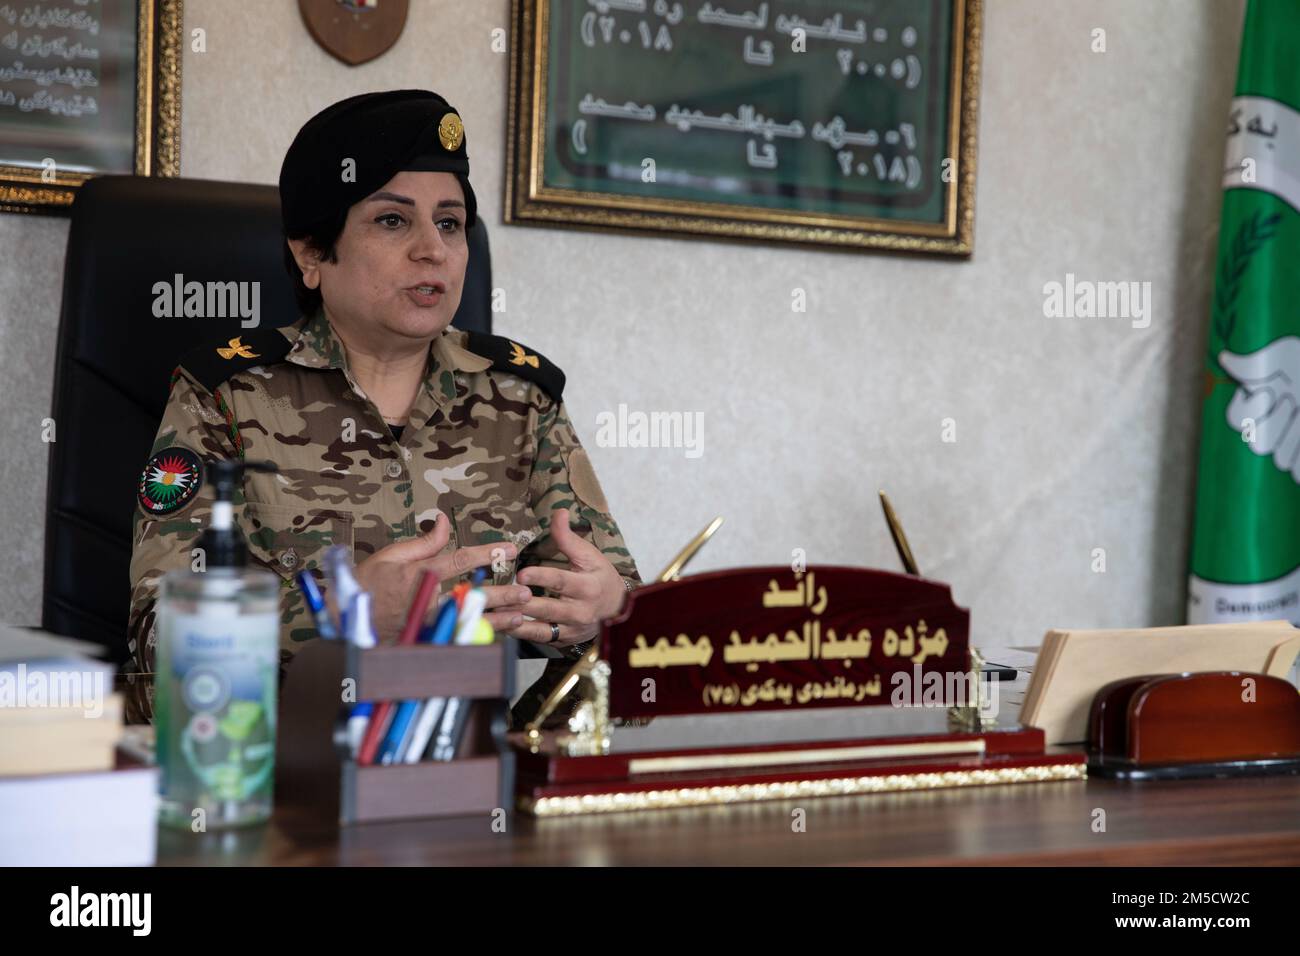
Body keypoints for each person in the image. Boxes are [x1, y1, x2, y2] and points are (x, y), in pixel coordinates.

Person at [126, 90, 641, 727]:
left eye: (450, 223)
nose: (433, 249)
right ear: (311, 253)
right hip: (275, 793)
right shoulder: (223, 396)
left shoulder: (521, 400)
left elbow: (638, 677)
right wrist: (341, 615)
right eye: (393, 221)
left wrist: (607, 626)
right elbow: (156, 661)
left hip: (475, 794)